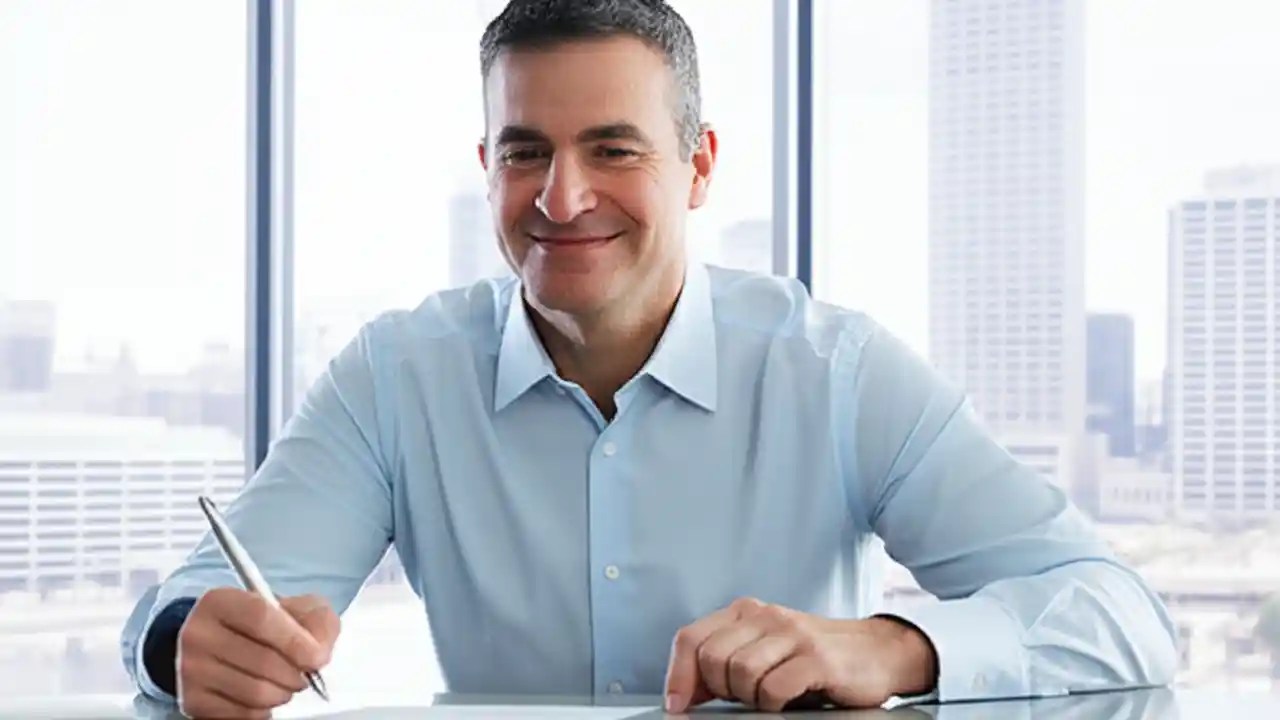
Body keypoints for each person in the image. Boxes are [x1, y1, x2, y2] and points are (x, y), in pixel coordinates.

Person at [119, 0, 1177, 717]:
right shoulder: (395, 377)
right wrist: (192, 645)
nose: (560, 197)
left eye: (612, 150)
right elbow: (182, 610)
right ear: (486, 166)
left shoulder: (835, 372)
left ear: (697, 166)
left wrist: (893, 648)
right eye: (525, 151)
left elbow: (1122, 614)